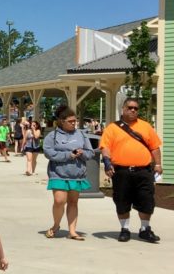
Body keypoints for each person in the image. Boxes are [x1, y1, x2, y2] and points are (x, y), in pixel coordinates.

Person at [99, 98, 163, 243]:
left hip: (144, 171)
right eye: (130, 107)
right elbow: (105, 147)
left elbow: (154, 147)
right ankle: (125, 229)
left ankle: (145, 229)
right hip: (121, 172)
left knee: (146, 200)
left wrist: (158, 164)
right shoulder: (112, 128)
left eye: (135, 108)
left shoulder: (146, 126)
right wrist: (108, 163)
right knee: (122, 201)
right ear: (123, 108)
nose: (133, 110)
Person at [42, 106, 95, 240]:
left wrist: (82, 153)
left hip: (76, 175)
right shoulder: (52, 136)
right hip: (58, 173)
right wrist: (68, 155)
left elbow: (90, 153)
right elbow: (49, 153)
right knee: (59, 201)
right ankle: (56, 225)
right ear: (61, 121)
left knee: (73, 202)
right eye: (70, 121)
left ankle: (72, 231)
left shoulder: (81, 134)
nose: (73, 123)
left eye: (75, 121)